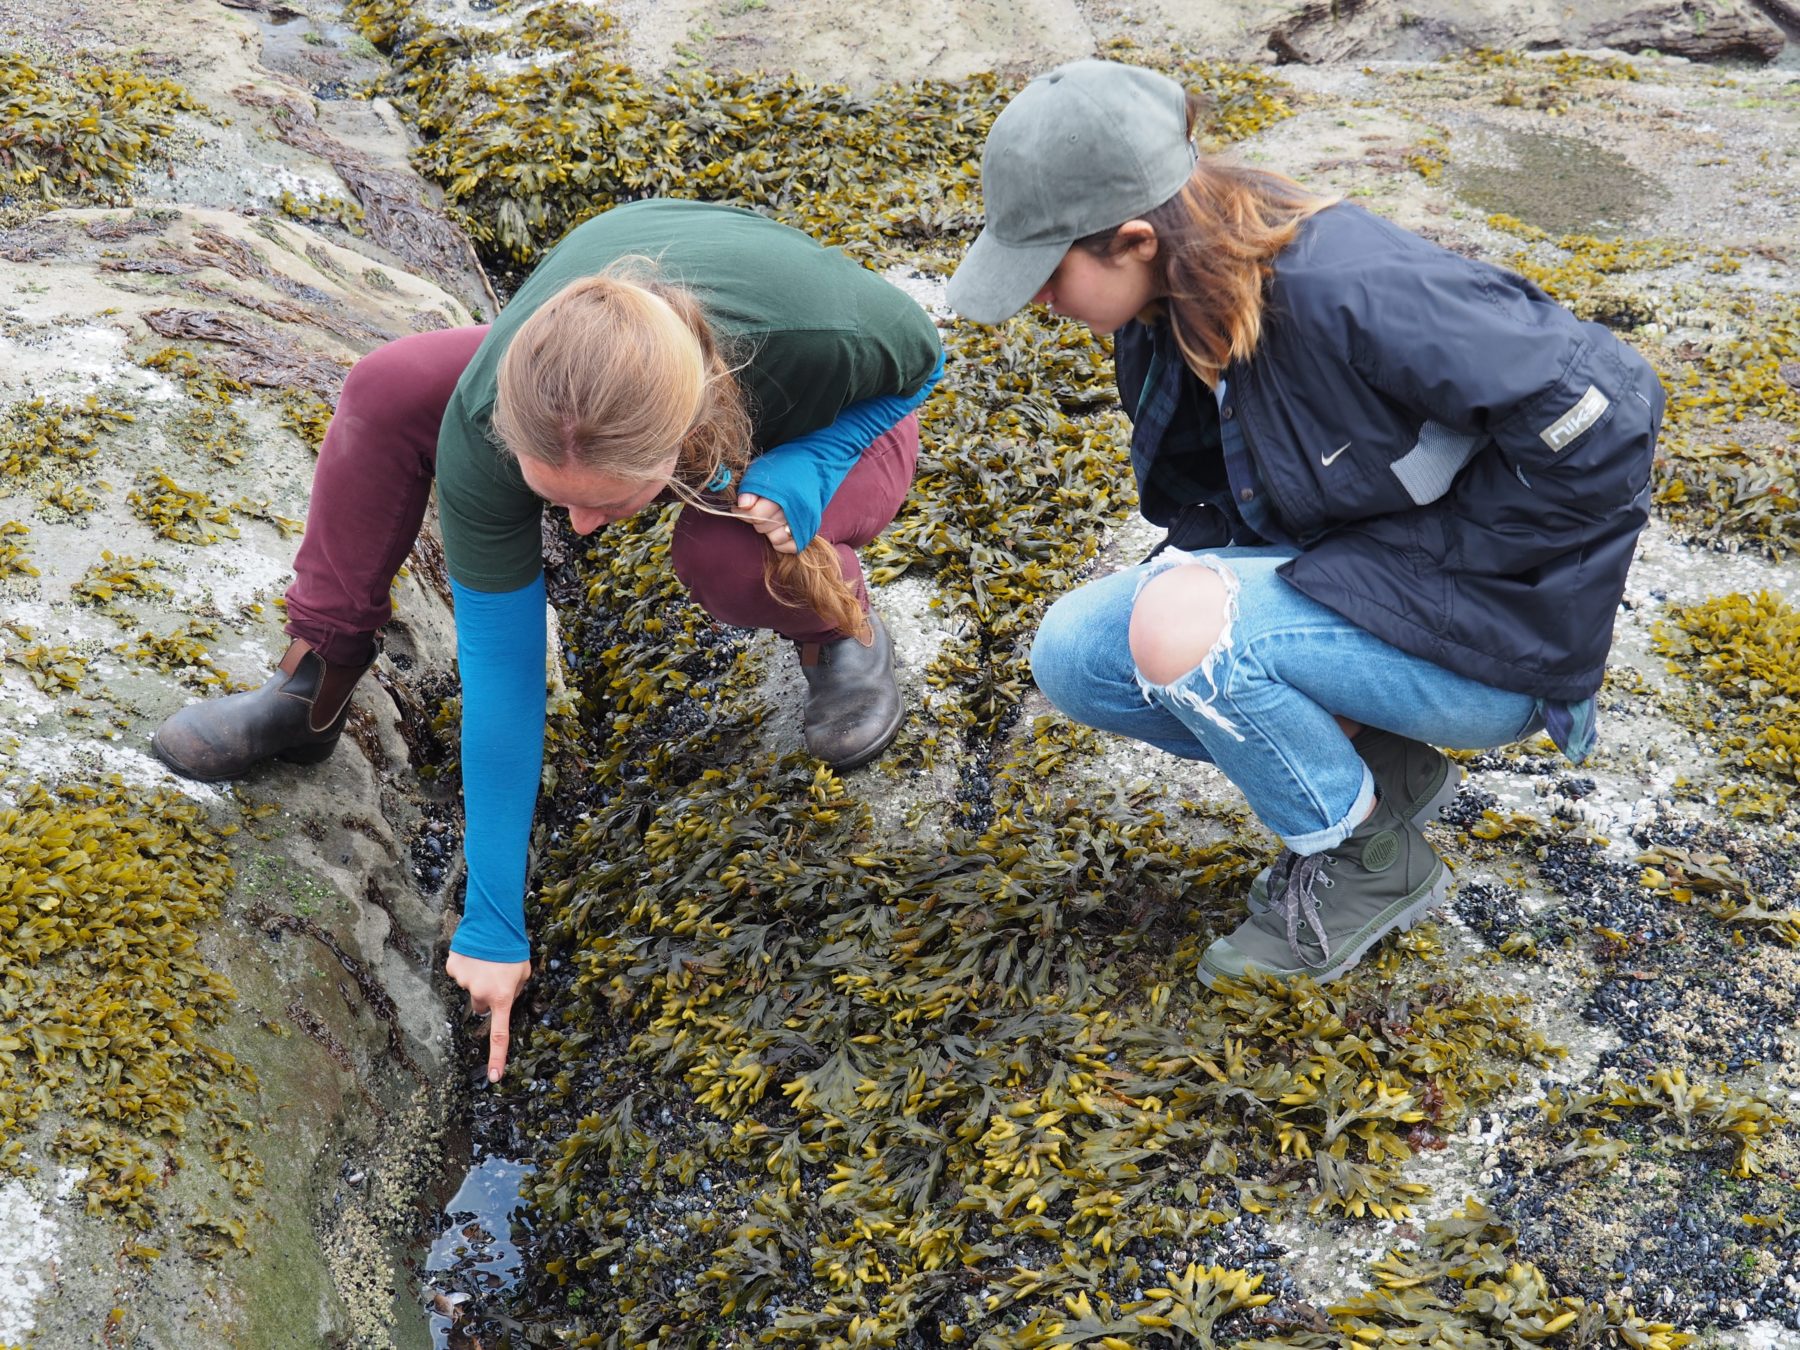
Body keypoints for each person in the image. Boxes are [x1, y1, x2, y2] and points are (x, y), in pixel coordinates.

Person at [152, 198, 944, 1077]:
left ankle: (836, 627)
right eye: (553, 495)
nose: (581, 526)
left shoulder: (823, 331)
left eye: (607, 501)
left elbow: (921, 362)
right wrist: (494, 917)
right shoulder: (495, 408)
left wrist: (811, 463)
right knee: (389, 387)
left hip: (832, 418)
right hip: (611, 371)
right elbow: (504, 668)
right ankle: (315, 682)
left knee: (722, 552)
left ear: (681, 442)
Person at [946, 60, 1663, 988]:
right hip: (1367, 594)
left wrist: (1430, 573)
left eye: (1046, 275)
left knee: (1184, 631)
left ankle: (1369, 866)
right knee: (1079, 653)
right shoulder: (1167, 312)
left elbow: (1609, 408)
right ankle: (1383, 781)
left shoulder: (1343, 284)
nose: (1039, 302)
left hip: (1490, 643)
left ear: (1131, 240)